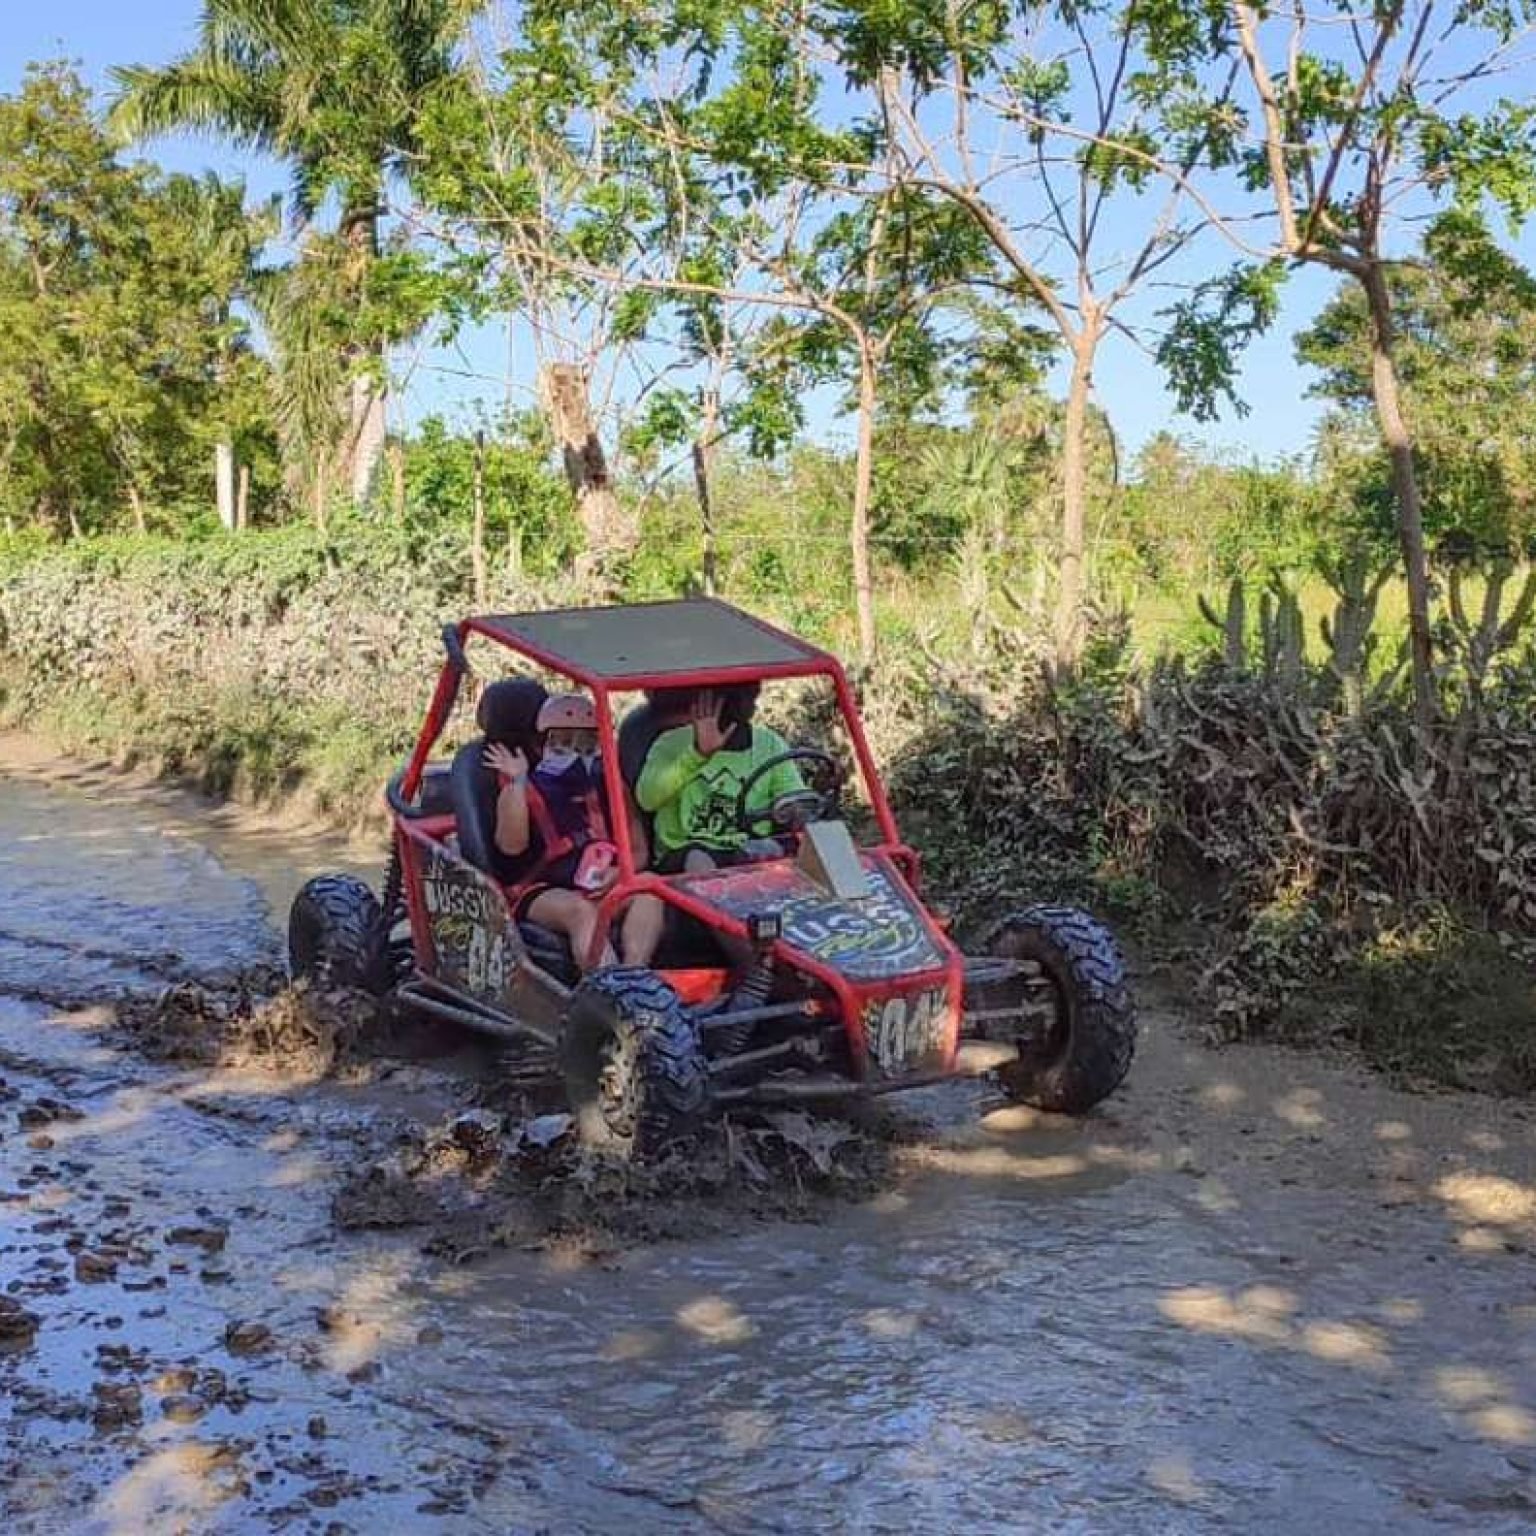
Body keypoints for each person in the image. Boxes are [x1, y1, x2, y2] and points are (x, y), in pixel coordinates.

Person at [482, 692, 664, 969]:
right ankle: (606, 985)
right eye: (563, 743)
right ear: (541, 745)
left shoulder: (609, 786)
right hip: (543, 889)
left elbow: (638, 851)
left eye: (587, 745)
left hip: (599, 884)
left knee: (650, 886)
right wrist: (517, 782)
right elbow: (511, 846)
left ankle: (633, 975)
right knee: (581, 912)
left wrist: (618, 873)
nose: (576, 754)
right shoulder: (523, 788)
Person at [636, 683, 805, 873]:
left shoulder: (769, 744)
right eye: (733, 695)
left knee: (783, 851)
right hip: (685, 850)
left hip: (748, 851)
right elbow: (647, 799)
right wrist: (697, 755)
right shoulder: (672, 743)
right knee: (697, 859)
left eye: (750, 694)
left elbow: (794, 800)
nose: (744, 703)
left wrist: (801, 810)